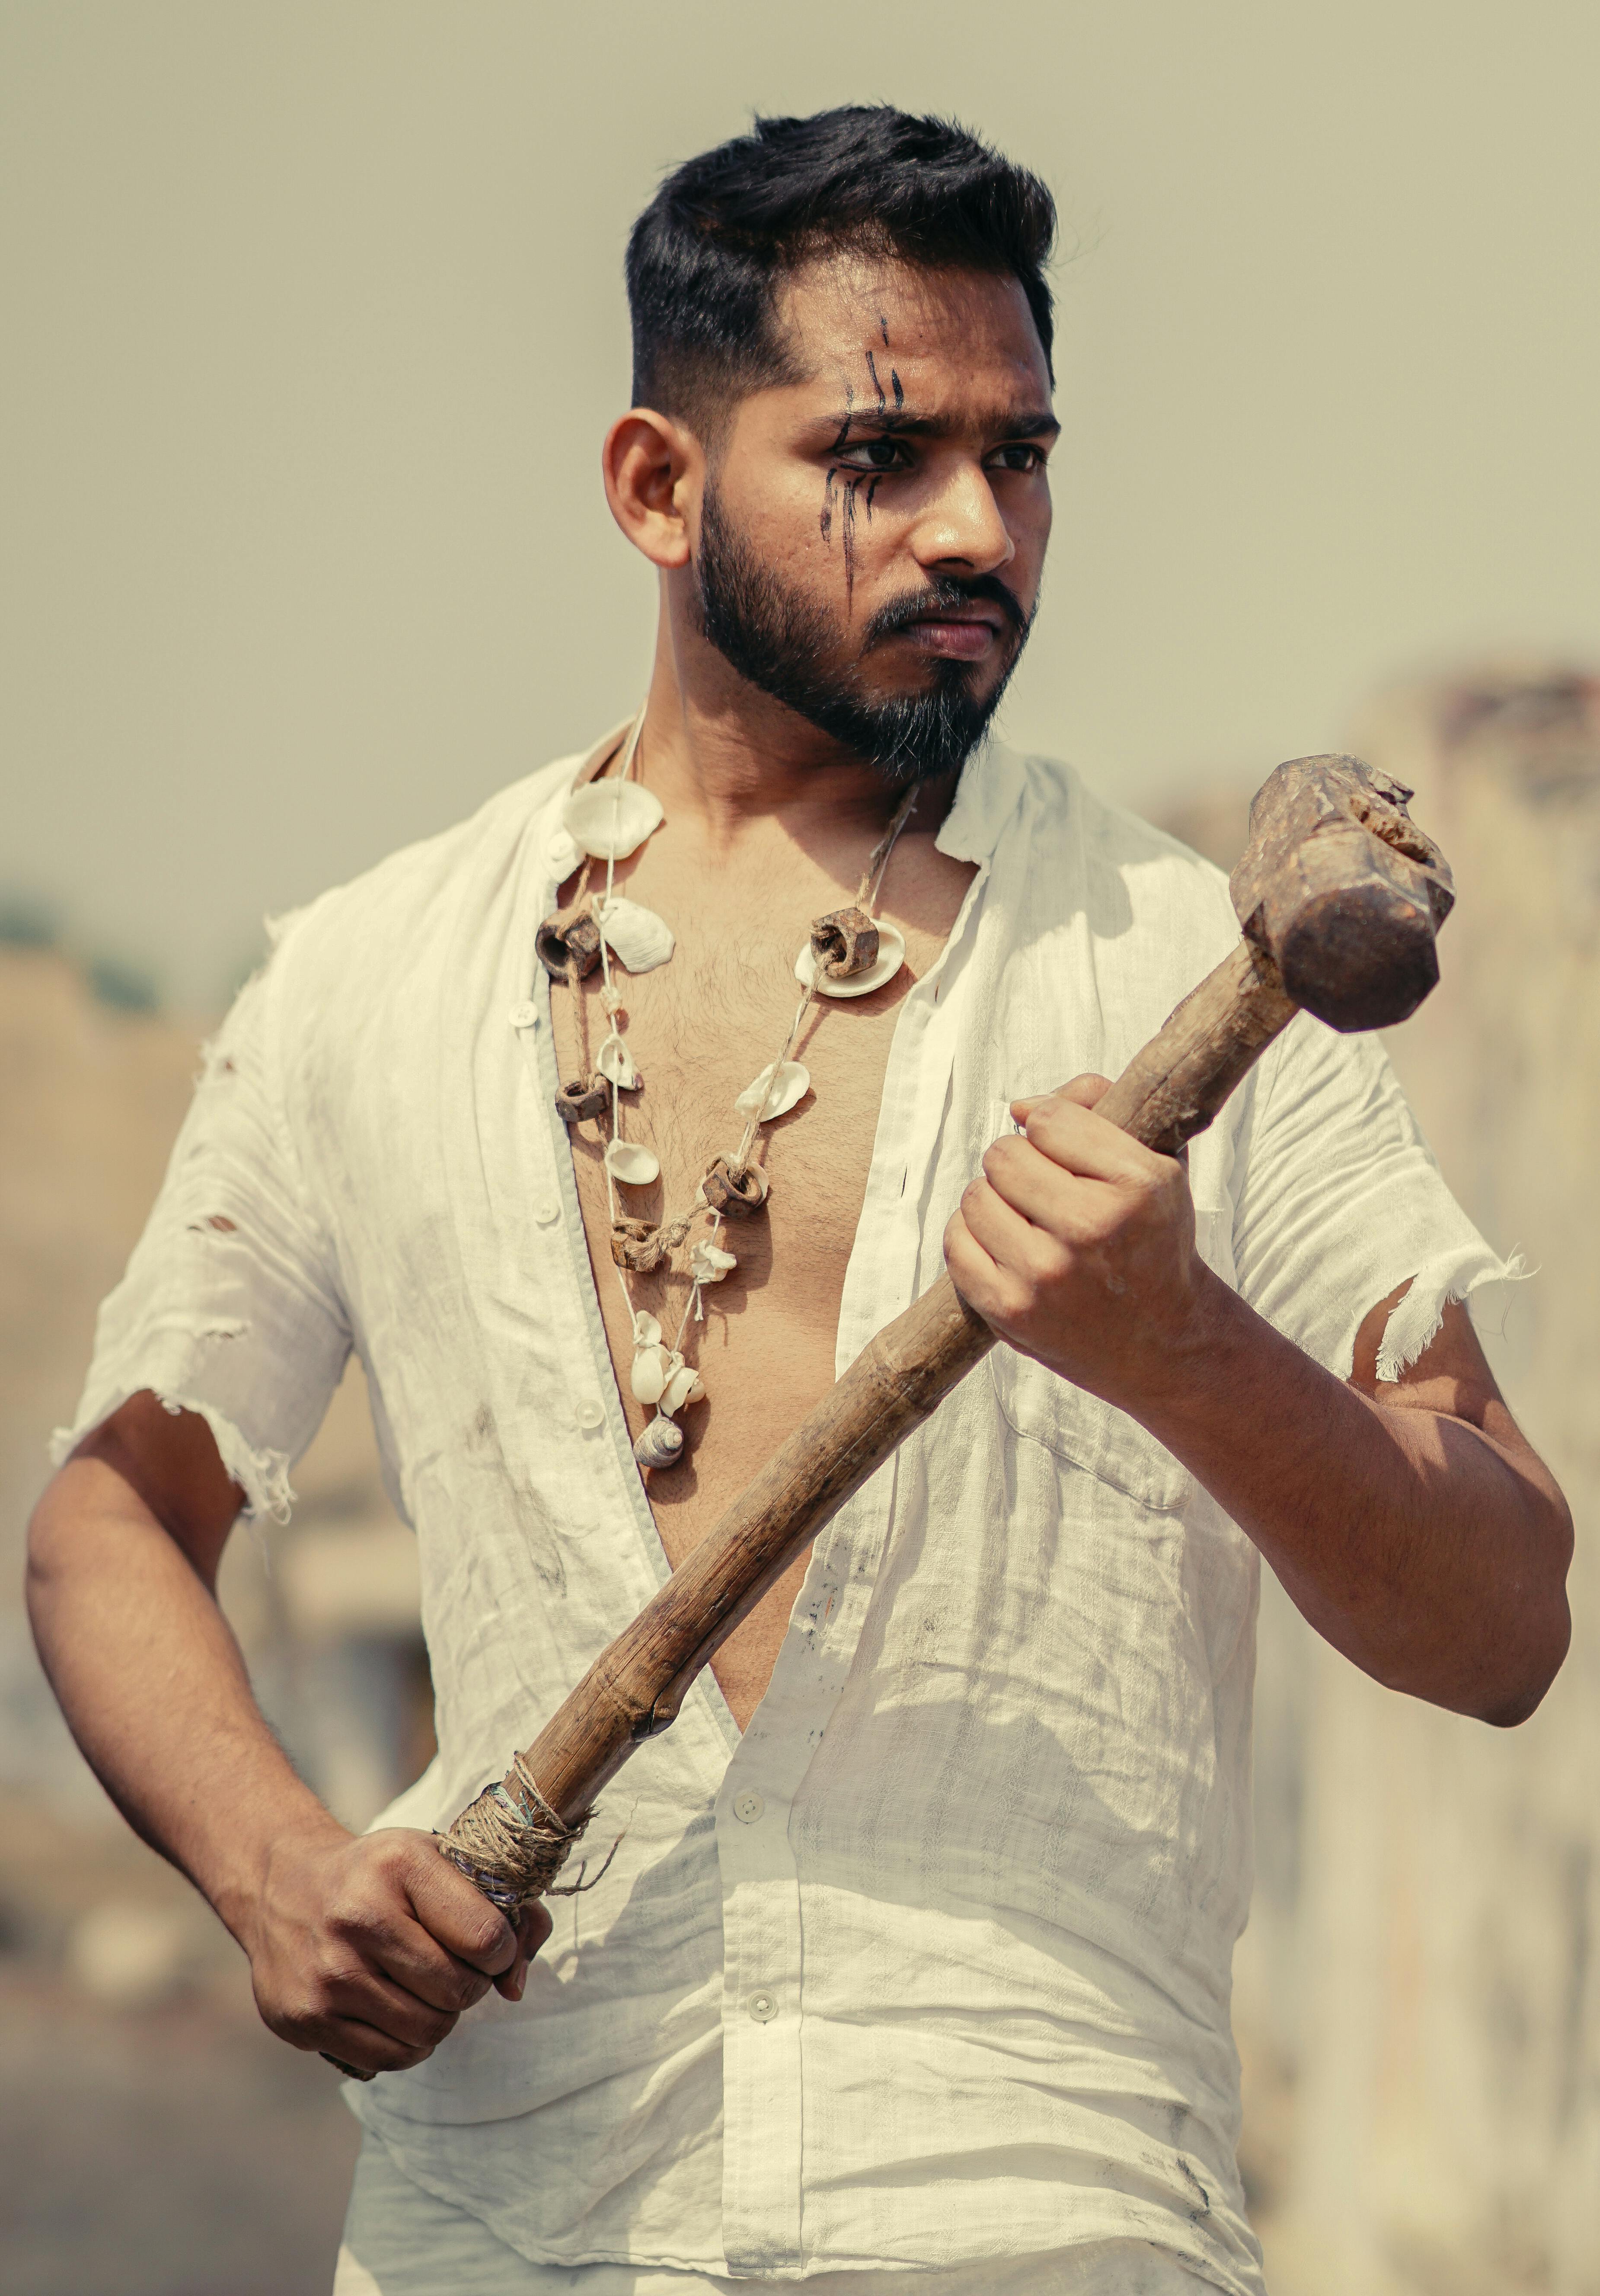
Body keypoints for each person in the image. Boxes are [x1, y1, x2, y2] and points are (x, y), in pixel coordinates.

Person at [28, 106, 1571, 2296]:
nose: (977, 528)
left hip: (1036, 2214)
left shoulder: (1175, 966)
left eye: (1018, 456)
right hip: (505, 2219)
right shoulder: (368, 980)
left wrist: (1189, 1354)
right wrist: (272, 1862)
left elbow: (1503, 1615)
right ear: (655, 487)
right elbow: (109, 1511)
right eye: (879, 451)